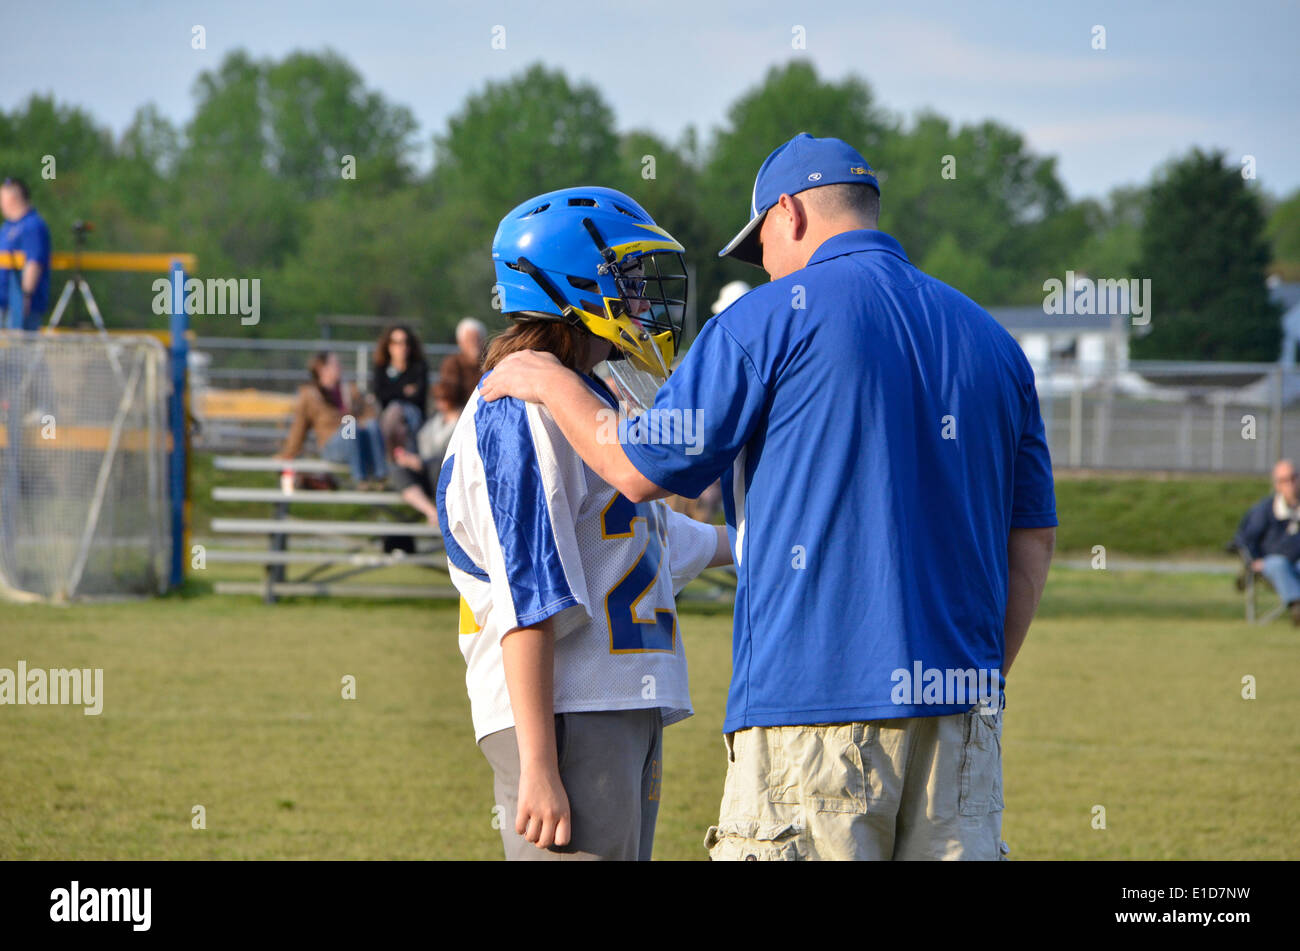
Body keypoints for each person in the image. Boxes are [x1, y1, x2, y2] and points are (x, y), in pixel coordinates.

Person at [481, 133, 1058, 861]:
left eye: (762, 248)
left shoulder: (768, 318)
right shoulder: (994, 342)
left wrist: (551, 380)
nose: (771, 267)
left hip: (813, 704)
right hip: (963, 712)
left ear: (787, 212)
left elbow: (637, 467)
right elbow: (1032, 539)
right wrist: (976, 674)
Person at [436, 186, 731, 860]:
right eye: (624, 279)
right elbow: (527, 591)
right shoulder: (518, 406)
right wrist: (539, 763)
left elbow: (638, 538)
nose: (641, 300)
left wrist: (749, 544)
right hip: (566, 709)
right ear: (570, 282)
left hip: (621, 700)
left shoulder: (591, 395)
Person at [277, 351, 384, 485]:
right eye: (335, 364)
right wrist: (289, 453)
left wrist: (363, 422)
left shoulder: (350, 389)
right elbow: (299, 427)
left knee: (371, 425)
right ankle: (360, 480)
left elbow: (369, 413)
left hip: (356, 440)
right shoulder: (309, 395)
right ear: (322, 369)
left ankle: (381, 476)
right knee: (351, 426)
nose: (340, 367)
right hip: (331, 444)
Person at [1234, 458, 1300, 624]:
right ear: (1277, 485)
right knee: (1278, 563)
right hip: (1271, 563)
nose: (1290, 484)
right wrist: (1252, 561)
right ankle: (1296, 605)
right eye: (1284, 480)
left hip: (1297, 563)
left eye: (1293, 478)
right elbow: (1245, 539)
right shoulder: (1264, 510)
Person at [0, 177, 52, 331]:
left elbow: (34, 262)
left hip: (17, 305)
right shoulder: (8, 226)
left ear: (13, 198)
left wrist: (26, 296)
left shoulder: (32, 225)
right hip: (5, 304)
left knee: (19, 352)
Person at [439, 317, 486, 409]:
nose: (474, 343)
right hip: (459, 410)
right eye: (469, 339)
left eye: (477, 339)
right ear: (460, 342)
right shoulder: (452, 363)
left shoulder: (492, 361)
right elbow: (447, 393)